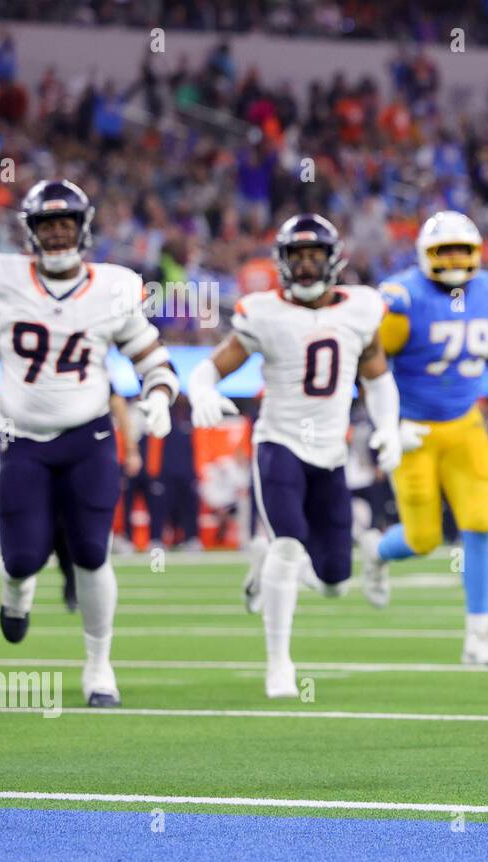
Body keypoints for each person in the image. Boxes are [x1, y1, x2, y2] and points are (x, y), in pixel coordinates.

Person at [0, 179, 178, 706]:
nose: (57, 234)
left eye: (65, 225)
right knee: (21, 557)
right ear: (31, 233)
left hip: (91, 437)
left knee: (90, 552)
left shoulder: (114, 286)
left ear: (82, 230)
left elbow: (151, 357)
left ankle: (99, 669)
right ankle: (17, 590)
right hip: (25, 441)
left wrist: (163, 395)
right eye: (47, 225)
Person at [188, 213, 401, 698]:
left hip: (331, 453)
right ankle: (279, 664)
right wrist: (201, 390)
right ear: (283, 263)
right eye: (297, 257)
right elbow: (212, 365)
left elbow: (377, 376)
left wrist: (388, 427)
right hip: (278, 444)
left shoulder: (361, 309)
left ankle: (264, 563)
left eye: (314, 256)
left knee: (332, 582)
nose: (305, 266)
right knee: (288, 544)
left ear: (333, 261)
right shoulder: (264, 312)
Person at [359, 212, 488, 666]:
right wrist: (386, 423)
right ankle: (377, 551)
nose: (455, 260)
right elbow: (366, 362)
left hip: (465, 424)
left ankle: (478, 638)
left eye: (462, 250)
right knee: (422, 539)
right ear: (424, 255)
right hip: (414, 429)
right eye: (444, 251)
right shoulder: (402, 298)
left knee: (480, 524)